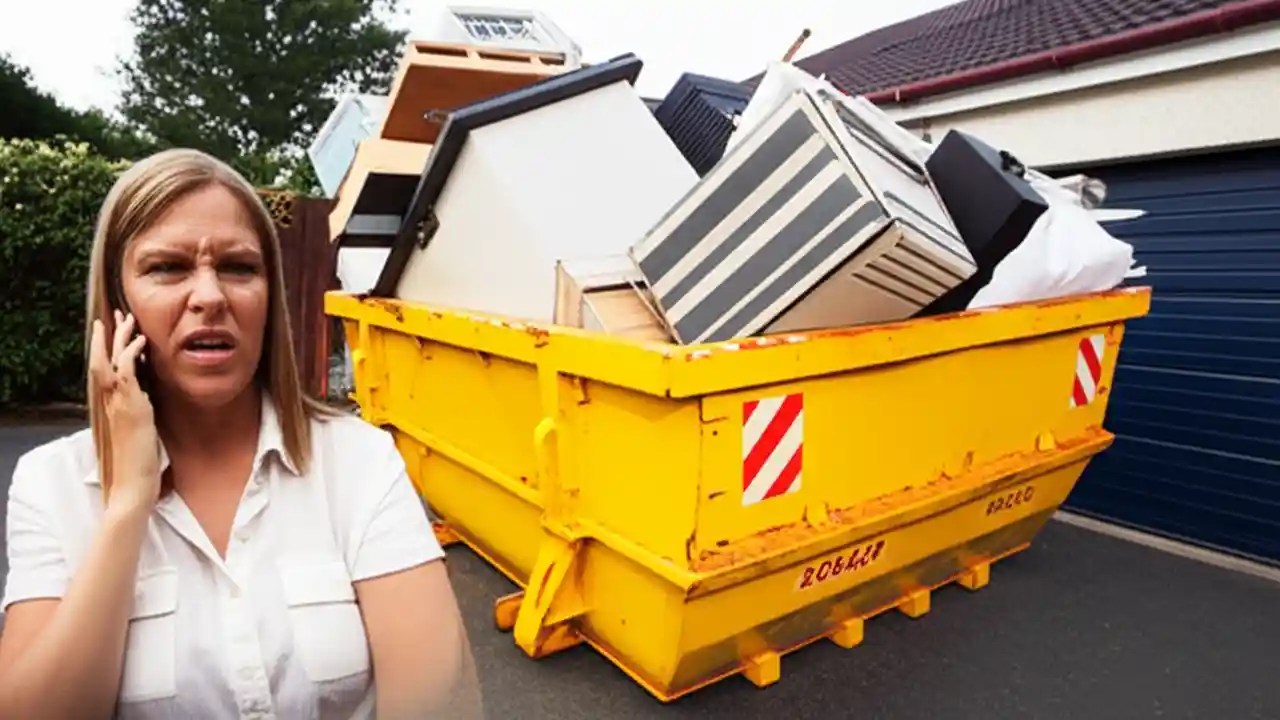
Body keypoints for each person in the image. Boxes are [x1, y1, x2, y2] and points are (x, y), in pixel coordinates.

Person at [0, 149, 484, 719]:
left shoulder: (358, 460)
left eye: (238, 267)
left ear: (268, 298)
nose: (210, 296)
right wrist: (129, 501)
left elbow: (440, 704)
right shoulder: (51, 486)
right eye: (168, 268)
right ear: (118, 303)